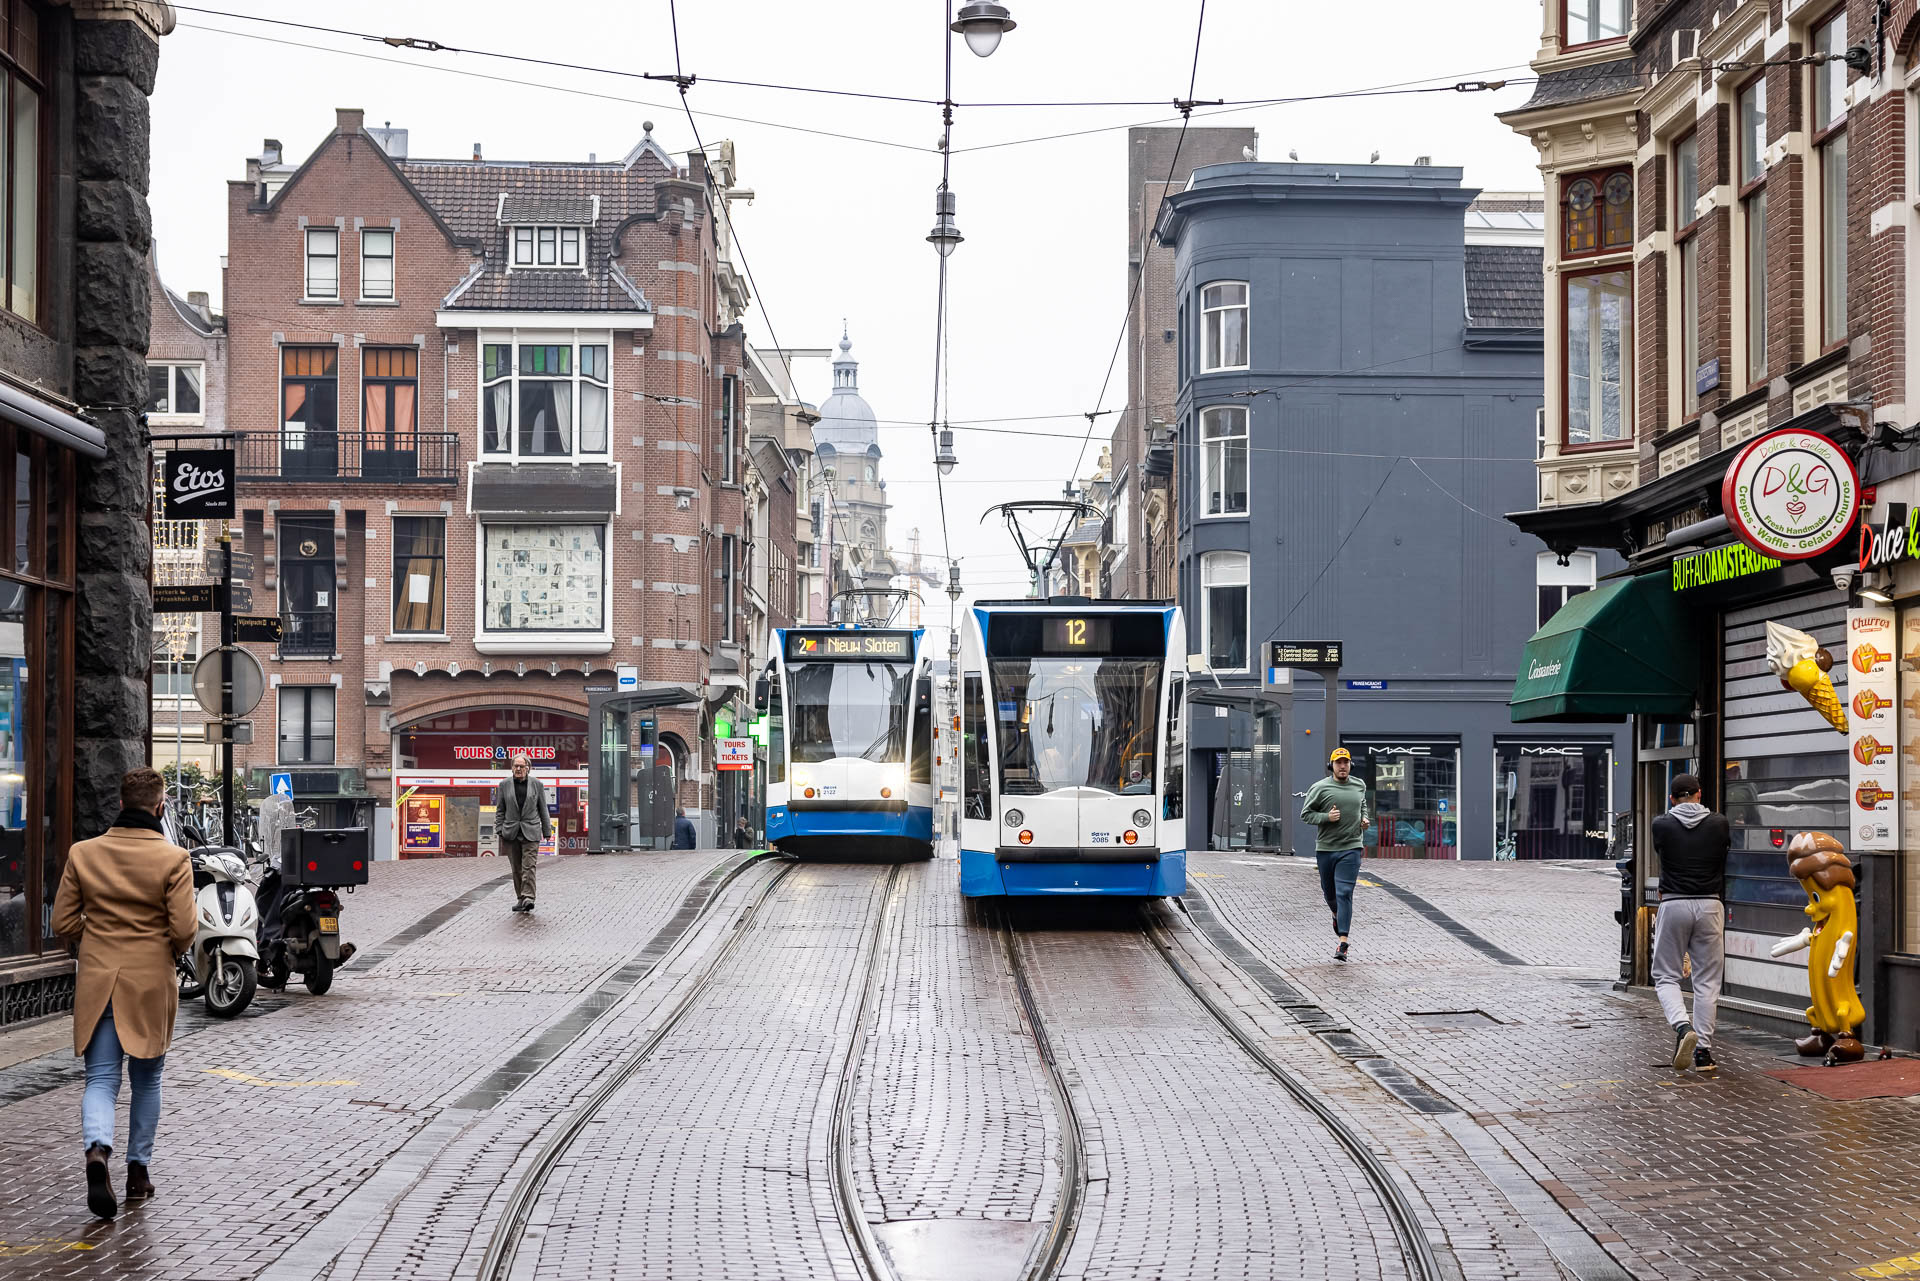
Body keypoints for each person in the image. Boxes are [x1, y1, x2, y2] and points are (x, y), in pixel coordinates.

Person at [51, 766, 195, 1219]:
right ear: (160, 806)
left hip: (98, 980)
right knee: (148, 1079)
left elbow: (63, 923)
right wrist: (162, 946)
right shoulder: (173, 860)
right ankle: (138, 1172)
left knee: (100, 1080)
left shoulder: (83, 854)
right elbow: (185, 930)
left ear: (119, 804)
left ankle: (97, 1151)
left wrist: (95, 937)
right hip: (150, 981)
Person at [1649, 773, 1731, 1072]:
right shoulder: (1719, 823)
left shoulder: (1661, 824)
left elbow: (1664, 853)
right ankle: (1704, 1053)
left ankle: (1683, 1028)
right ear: (1699, 794)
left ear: (1672, 799)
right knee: (1707, 982)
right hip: (1710, 903)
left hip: (1673, 903)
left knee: (1666, 976)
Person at [1300, 747, 1371, 962]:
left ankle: (1343, 942)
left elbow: (1363, 807)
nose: (1343, 766)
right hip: (1326, 849)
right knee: (1330, 894)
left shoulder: (1359, 785)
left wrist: (1364, 820)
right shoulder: (1320, 788)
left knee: (1344, 893)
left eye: (1346, 762)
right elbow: (1306, 814)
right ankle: (1334, 914)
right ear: (1332, 766)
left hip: (1351, 847)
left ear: (1350, 765)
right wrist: (1326, 817)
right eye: (1338, 763)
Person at [494, 754, 551, 914]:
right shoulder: (504, 785)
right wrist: (499, 829)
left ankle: (528, 897)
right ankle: (521, 898)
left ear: (528, 768)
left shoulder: (537, 785)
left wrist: (547, 830)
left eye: (521, 766)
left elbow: (543, 808)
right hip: (511, 832)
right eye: (515, 766)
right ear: (512, 767)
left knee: (529, 866)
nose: (518, 769)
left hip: (531, 830)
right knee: (516, 868)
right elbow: (500, 809)